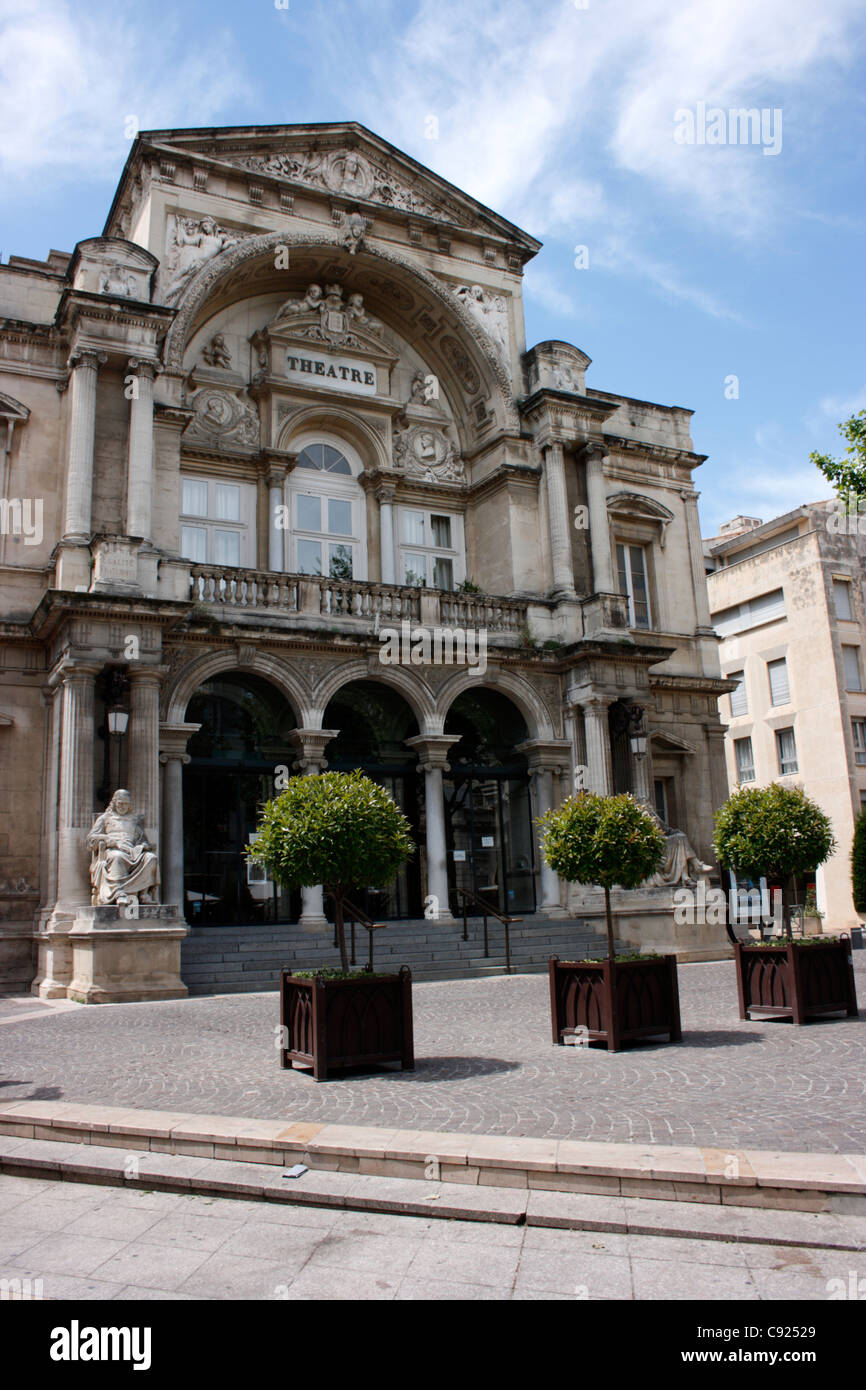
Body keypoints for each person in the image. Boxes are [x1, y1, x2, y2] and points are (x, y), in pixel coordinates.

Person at [87, 790, 160, 906]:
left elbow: (142, 839)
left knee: (151, 858)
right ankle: (119, 892)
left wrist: (144, 846)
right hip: (112, 850)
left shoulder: (134, 820)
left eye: (126, 804)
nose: (123, 806)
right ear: (114, 803)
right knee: (118, 857)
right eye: (120, 803)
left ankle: (143, 893)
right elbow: (91, 838)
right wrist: (110, 841)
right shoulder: (105, 818)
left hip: (132, 851)